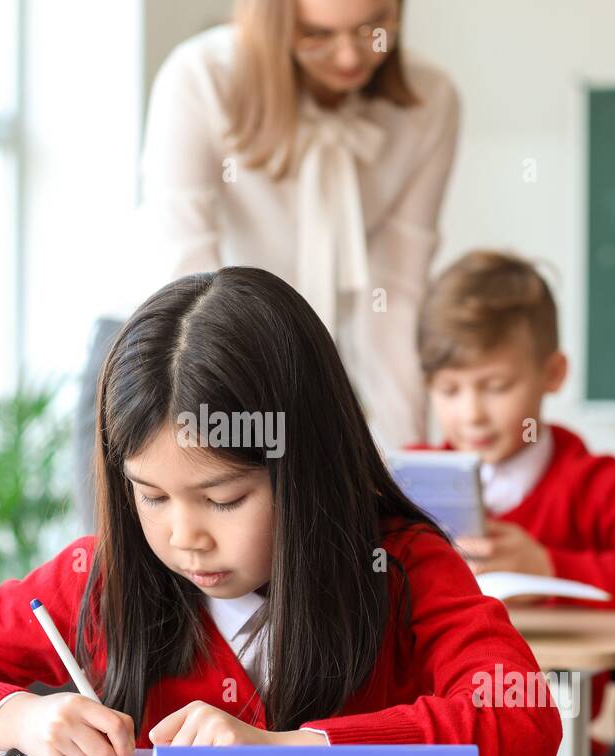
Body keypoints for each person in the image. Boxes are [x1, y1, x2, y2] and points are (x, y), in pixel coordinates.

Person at [0, 266, 561, 756]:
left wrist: (291, 750)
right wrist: (21, 719)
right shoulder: (100, 580)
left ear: (306, 470)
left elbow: (521, 719)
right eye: (151, 496)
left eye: (224, 499)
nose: (185, 536)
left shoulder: (400, 565)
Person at [411, 249, 615, 756]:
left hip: (560, 750)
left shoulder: (589, 483)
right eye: (449, 390)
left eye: (496, 386)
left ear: (553, 373)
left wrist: (550, 568)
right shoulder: (408, 482)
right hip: (433, 740)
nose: (471, 413)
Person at [135, 0, 461, 449]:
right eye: (316, 35)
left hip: (316, 364)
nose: (350, 57)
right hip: (175, 354)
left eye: (374, 26)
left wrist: (404, 461)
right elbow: (184, 276)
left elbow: (393, 297)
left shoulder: (430, 101)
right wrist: (219, 439)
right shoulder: (200, 78)